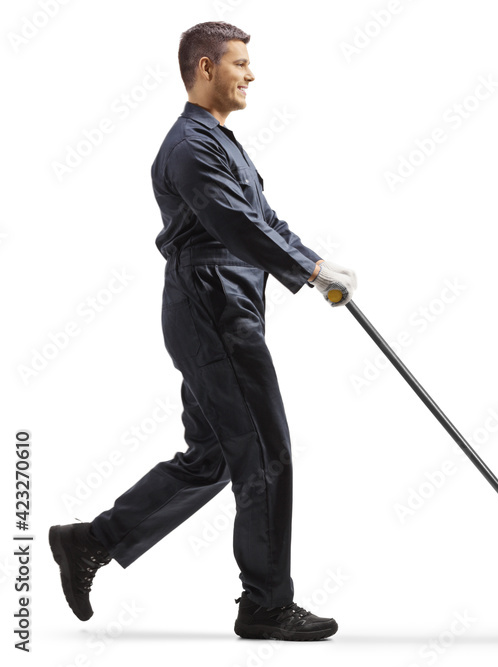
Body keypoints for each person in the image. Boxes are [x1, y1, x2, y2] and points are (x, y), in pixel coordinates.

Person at [48, 21, 354, 641]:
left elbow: (265, 219)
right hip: (211, 305)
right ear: (206, 68)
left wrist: (318, 264)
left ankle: (90, 541)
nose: (251, 74)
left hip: (222, 304)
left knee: (214, 455)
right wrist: (309, 272)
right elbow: (234, 222)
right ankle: (266, 604)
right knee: (265, 451)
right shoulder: (189, 146)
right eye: (240, 63)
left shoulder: (221, 143)